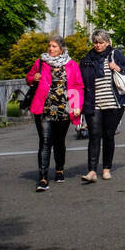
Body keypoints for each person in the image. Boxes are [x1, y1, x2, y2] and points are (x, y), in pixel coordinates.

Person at [25, 34, 83, 190]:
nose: (50, 49)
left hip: (63, 109)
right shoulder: (40, 62)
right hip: (43, 109)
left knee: (59, 142)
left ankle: (59, 168)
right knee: (45, 142)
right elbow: (29, 78)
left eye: (54, 46)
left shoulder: (72, 65)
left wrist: (77, 105)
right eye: (49, 46)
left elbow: (78, 86)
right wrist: (33, 78)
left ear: (61, 48)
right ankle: (43, 178)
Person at [78, 29, 125, 183]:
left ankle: (106, 168)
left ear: (108, 42)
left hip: (113, 102)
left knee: (108, 135)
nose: (98, 45)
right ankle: (91, 171)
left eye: (101, 42)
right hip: (93, 103)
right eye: (95, 42)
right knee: (94, 135)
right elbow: (80, 81)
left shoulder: (115, 55)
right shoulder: (86, 60)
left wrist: (118, 68)